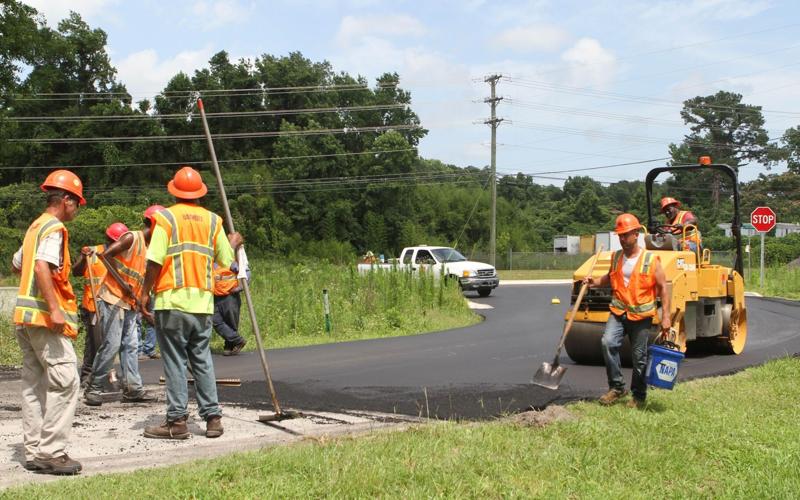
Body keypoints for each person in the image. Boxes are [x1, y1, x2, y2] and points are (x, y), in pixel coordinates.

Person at [138, 166, 242, 440]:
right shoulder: (213, 221)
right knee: (202, 360)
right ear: (199, 193)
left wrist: (144, 293)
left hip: (172, 302)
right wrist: (235, 245)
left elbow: (154, 260)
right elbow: (226, 261)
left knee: (174, 361)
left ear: (174, 191)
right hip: (203, 305)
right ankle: (213, 418)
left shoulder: (166, 219)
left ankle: (176, 421)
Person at [12, 170, 84, 475]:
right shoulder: (53, 228)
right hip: (43, 319)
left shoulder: (35, 227)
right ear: (66, 200)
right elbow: (41, 266)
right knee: (66, 379)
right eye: (77, 203)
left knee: (35, 385)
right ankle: (52, 452)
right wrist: (54, 309)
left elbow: (18, 264)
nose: (77, 210)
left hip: (24, 319)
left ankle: (33, 451)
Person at [584, 213, 671, 409]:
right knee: (607, 343)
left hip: (641, 316)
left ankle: (638, 395)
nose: (622, 239)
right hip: (618, 311)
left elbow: (663, 288)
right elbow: (609, 277)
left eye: (626, 235)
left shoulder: (650, 259)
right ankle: (617, 387)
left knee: (639, 358)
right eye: (620, 236)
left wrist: (666, 317)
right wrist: (594, 282)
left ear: (636, 234)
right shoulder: (616, 257)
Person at [83, 218, 152, 406]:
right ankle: (94, 387)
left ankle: (133, 388)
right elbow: (105, 255)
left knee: (131, 346)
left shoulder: (147, 248)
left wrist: (144, 307)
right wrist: (122, 282)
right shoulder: (132, 238)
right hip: (112, 298)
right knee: (111, 345)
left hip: (129, 303)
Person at [72, 231, 114, 387]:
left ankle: (106, 376)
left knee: (111, 343)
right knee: (95, 343)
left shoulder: (123, 254)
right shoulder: (92, 252)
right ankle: (88, 375)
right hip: (93, 305)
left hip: (114, 305)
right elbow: (76, 272)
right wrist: (83, 258)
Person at [137, 205, 166, 361]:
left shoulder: (159, 240)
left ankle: (148, 348)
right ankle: (138, 349)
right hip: (139, 284)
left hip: (152, 285)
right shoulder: (140, 239)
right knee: (138, 317)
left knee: (152, 317)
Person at [212, 263, 247, 356]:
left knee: (231, 321)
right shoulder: (210, 255)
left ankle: (229, 345)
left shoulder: (232, 254)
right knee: (214, 320)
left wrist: (241, 287)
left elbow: (245, 271)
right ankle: (237, 340)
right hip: (214, 294)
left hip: (230, 294)